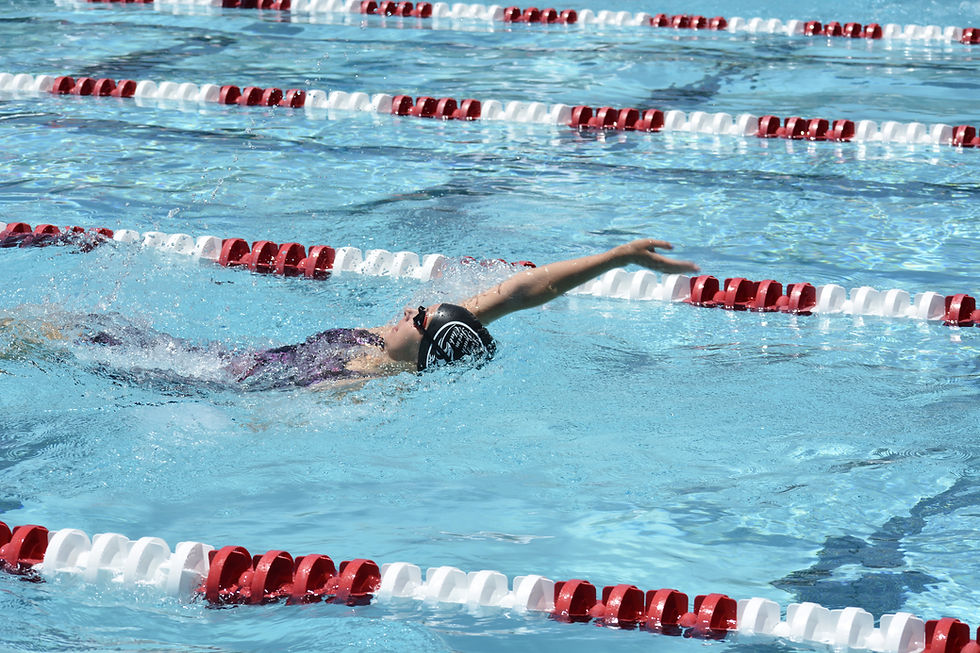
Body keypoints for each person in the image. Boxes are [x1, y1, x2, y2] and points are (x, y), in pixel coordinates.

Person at [1, 239, 698, 391]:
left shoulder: (355, 379)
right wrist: (621, 257)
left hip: (206, 378)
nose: (409, 305)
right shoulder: (411, 344)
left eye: (418, 311)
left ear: (421, 338)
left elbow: (266, 420)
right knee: (68, 323)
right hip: (220, 355)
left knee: (62, 341)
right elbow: (526, 291)